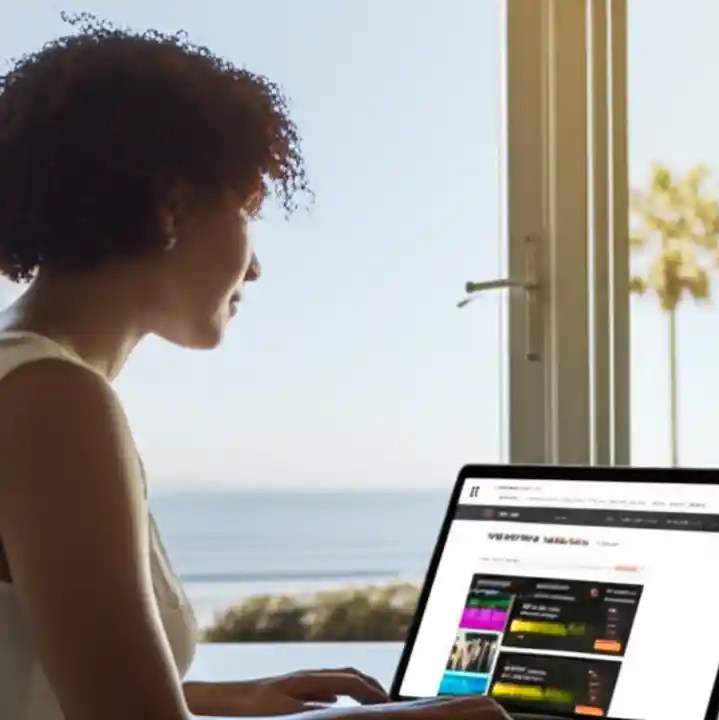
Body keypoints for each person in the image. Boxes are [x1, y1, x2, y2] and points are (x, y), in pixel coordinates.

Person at [0, 13, 508, 720]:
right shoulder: (53, 399)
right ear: (172, 205)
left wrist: (229, 698)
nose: (256, 266)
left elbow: (37, 672)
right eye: (245, 211)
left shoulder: (21, 373)